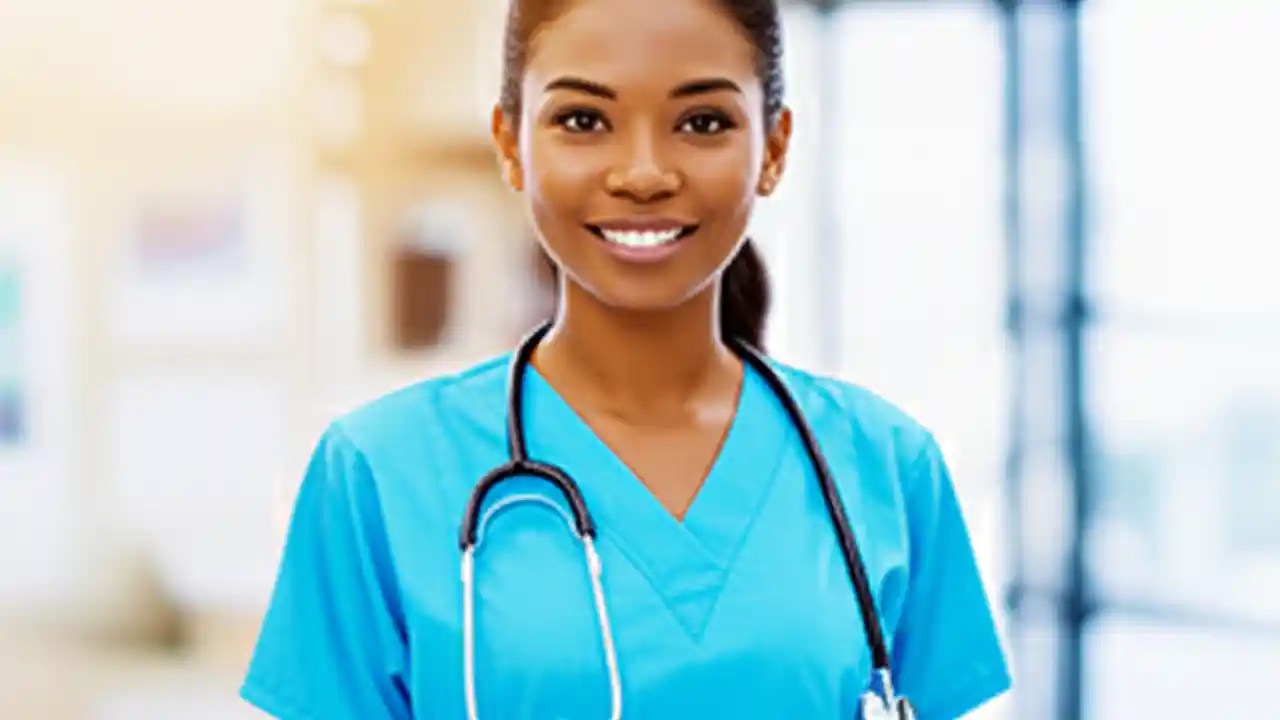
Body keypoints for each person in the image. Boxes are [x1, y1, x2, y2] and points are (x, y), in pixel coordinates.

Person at [239, 0, 1012, 717]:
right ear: (511, 145)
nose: (643, 173)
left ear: (773, 148)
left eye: (703, 122)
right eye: (583, 119)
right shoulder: (379, 471)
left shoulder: (885, 464)